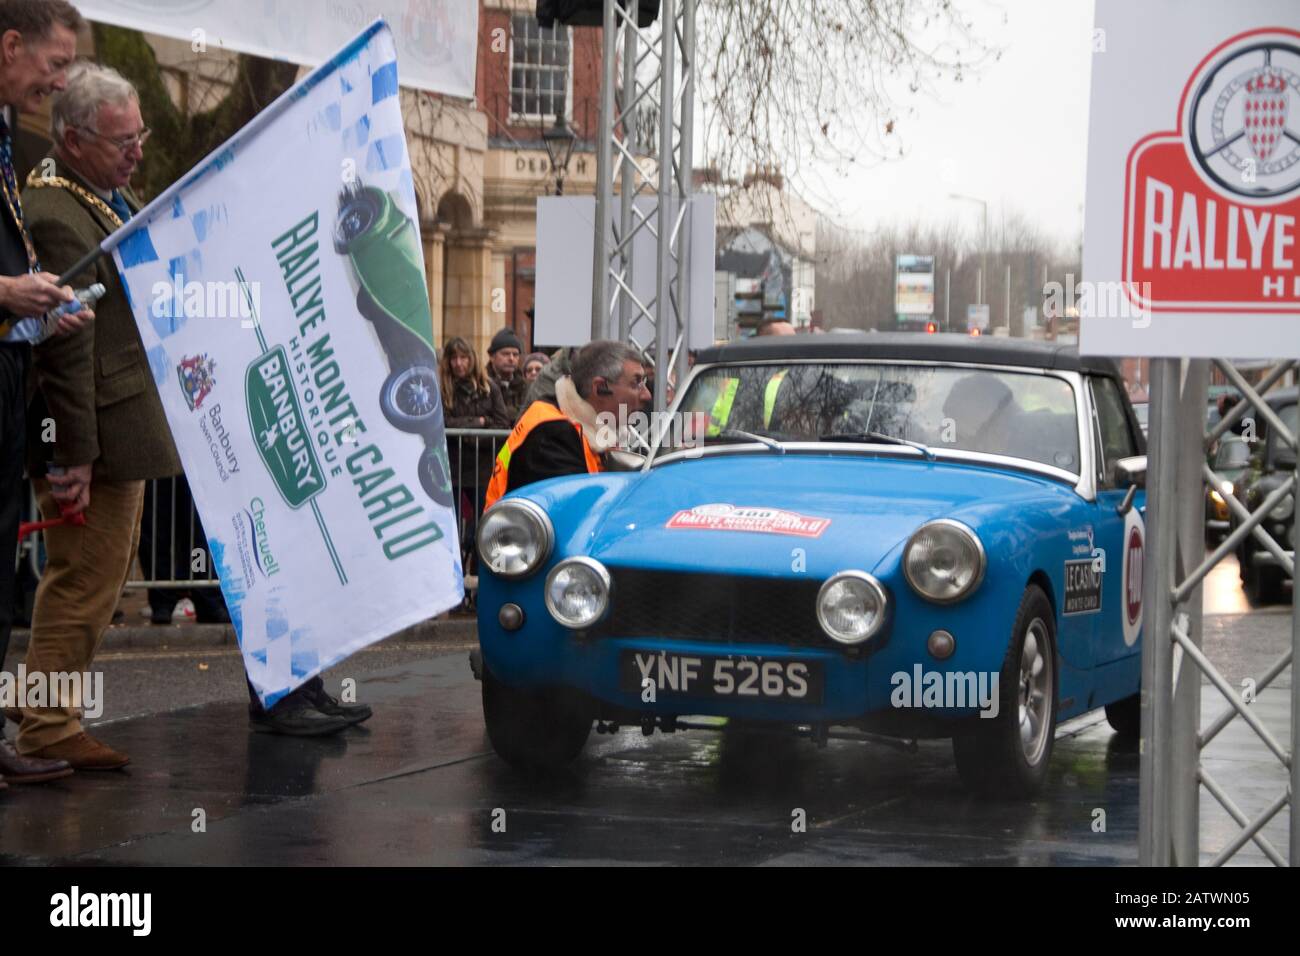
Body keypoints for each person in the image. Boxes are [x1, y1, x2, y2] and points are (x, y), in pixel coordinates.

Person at [16, 62, 164, 771]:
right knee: (82, 584)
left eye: (140, 135)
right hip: (92, 434)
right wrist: (72, 456)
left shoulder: (95, 190)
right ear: (72, 141)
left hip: (115, 425)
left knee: (95, 582)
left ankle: (43, 700)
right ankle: (47, 726)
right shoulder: (54, 211)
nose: (135, 152)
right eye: (120, 142)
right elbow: (65, 351)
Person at [0, 0, 86, 790]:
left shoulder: (6, 137)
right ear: (10, 45)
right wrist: (6, 290)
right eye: (54, 65)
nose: (57, 84)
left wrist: (40, 318)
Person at [484, 340, 650, 506]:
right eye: (636, 383)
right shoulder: (551, 434)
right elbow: (580, 512)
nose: (646, 395)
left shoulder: (580, 428)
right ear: (599, 387)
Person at [439, 336, 509, 563]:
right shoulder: (442, 390)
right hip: (452, 471)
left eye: (464, 357)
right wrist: (479, 423)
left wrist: (469, 432)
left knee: (484, 529)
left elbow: (501, 426)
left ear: (472, 359)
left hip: (482, 470)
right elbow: (443, 423)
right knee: (452, 531)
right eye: (454, 359)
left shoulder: (490, 389)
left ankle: (480, 577)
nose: (459, 364)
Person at [485, 327, 526, 420]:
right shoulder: (481, 383)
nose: (511, 358)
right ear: (492, 357)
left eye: (515, 354)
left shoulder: (524, 385)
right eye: (505, 354)